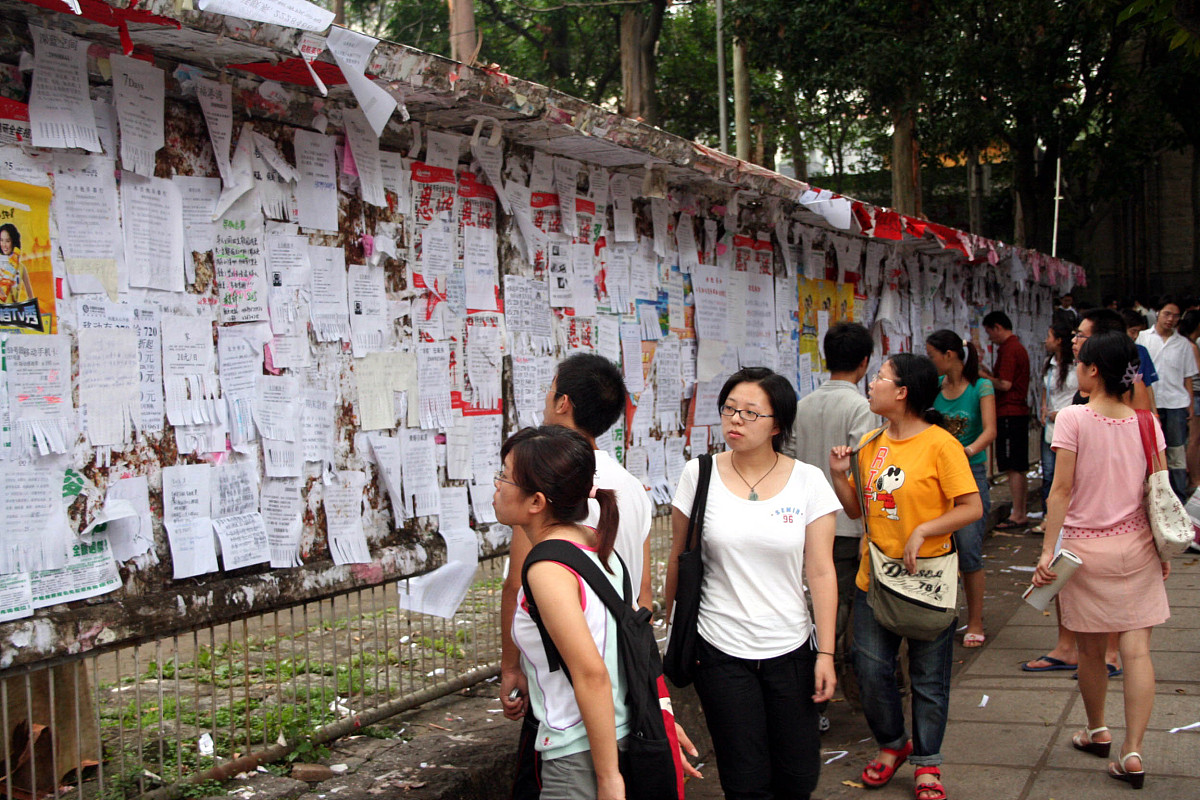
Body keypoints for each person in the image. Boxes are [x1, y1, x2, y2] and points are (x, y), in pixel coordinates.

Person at [666, 366, 840, 800]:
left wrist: (827, 654)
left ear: (778, 424)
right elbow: (679, 558)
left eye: (749, 412)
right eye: (729, 409)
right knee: (744, 778)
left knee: (798, 774)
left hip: (792, 648)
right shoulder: (698, 475)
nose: (735, 420)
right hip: (719, 647)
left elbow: (820, 571)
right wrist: (671, 628)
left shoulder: (809, 482)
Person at [500, 426, 700, 800]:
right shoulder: (595, 543)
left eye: (504, 477)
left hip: (579, 751)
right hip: (619, 731)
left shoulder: (547, 569)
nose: (496, 486)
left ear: (536, 502)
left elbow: (591, 673)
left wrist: (609, 779)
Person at [829, 354, 983, 800]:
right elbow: (859, 510)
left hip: (927, 581)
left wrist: (924, 530)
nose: (871, 383)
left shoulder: (940, 445)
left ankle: (928, 764)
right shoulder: (872, 443)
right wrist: (841, 477)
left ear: (902, 393)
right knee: (869, 669)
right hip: (875, 580)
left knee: (929, 679)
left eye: (880, 378)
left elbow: (970, 506)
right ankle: (893, 743)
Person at [500, 354, 654, 800]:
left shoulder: (546, 501)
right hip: (619, 700)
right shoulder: (628, 488)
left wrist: (511, 665)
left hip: (570, 710)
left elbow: (516, 588)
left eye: (504, 478)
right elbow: (640, 599)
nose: (500, 485)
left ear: (563, 402)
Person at [1031, 332, 1171, 790]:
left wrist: (1048, 550)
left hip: (1083, 553)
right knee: (1137, 649)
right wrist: (1162, 550)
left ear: (1091, 371)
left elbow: (1062, 490)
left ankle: (1096, 731)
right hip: (1136, 547)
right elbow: (1159, 492)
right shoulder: (1148, 423)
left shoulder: (1073, 418)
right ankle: (1132, 751)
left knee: (1091, 651)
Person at [1021, 308, 1125, 676]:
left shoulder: (1125, 395)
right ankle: (1069, 647)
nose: (1074, 341)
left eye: (1082, 336)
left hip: (1111, 513)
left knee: (1105, 587)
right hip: (1080, 509)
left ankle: (1108, 654)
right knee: (1064, 578)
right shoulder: (1078, 407)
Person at [789, 322, 877, 707]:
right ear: (864, 363)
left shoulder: (802, 406)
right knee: (843, 613)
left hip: (807, 524)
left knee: (813, 607)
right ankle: (841, 692)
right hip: (847, 525)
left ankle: (817, 694)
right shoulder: (862, 408)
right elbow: (864, 468)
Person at [924, 330, 995, 648]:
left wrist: (963, 453)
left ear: (949, 355)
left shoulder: (981, 386)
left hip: (970, 473)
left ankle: (976, 619)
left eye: (932, 355)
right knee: (941, 549)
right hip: (936, 477)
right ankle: (943, 614)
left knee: (968, 551)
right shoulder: (935, 388)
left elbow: (989, 431)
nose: (930, 361)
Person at [1135, 296, 1197, 499]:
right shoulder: (1143, 338)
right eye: (1167, 314)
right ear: (1158, 313)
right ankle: (1153, 495)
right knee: (1149, 451)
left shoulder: (1184, 345)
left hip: (1176, 403)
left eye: (1176, 316)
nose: (1170, 319)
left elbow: (1187, 377)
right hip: (1147, 403)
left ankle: (1178, 496)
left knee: (1176, 451)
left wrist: (1189, 403)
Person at [980, 311, 1032, 530]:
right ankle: (1019, 511)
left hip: (1010, 412)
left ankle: (1018, 513)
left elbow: (1005, 384)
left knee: (1013, 466)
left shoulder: (1011, 349)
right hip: (1014, 412)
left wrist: (983, 377)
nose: (989, 337)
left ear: (997, 327)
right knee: (1016, 466)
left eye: (989, 332)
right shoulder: (1013, 348)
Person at [1031, 317, 1078, 536]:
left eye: (1049, 337)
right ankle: (1048, 516)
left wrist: (1064, 413)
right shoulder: (1049, 364)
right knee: (1048, 473)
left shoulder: (1076, 366)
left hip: (1068, 424)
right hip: (1049, 424)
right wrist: (1043, 408)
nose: (1046, 341)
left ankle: (1064, 517)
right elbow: (1044, 389)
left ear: (1059, 340)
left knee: (1066, 474)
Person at [1119, 308, 1160, 412]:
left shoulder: (1141, 351)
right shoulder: (1109, 351)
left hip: (1139, 408)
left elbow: (1148, 385)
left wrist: (1154, 414)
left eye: (1139, 332)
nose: (1136, 336)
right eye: (1133, 331)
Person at [1177, 309, 1200, 492]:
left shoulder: (1186, 344)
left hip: (1189, 396)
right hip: (1196, 396)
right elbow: (1194, 375)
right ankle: (1194, 480)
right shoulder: (1190, 346)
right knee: (1194, 440)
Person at [0, 223, 31, 305]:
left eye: (7, 241)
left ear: (13, 242)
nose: (4, 245)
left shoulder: (20, 267)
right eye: (1, 240)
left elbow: (31, 297)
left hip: (13, 313)